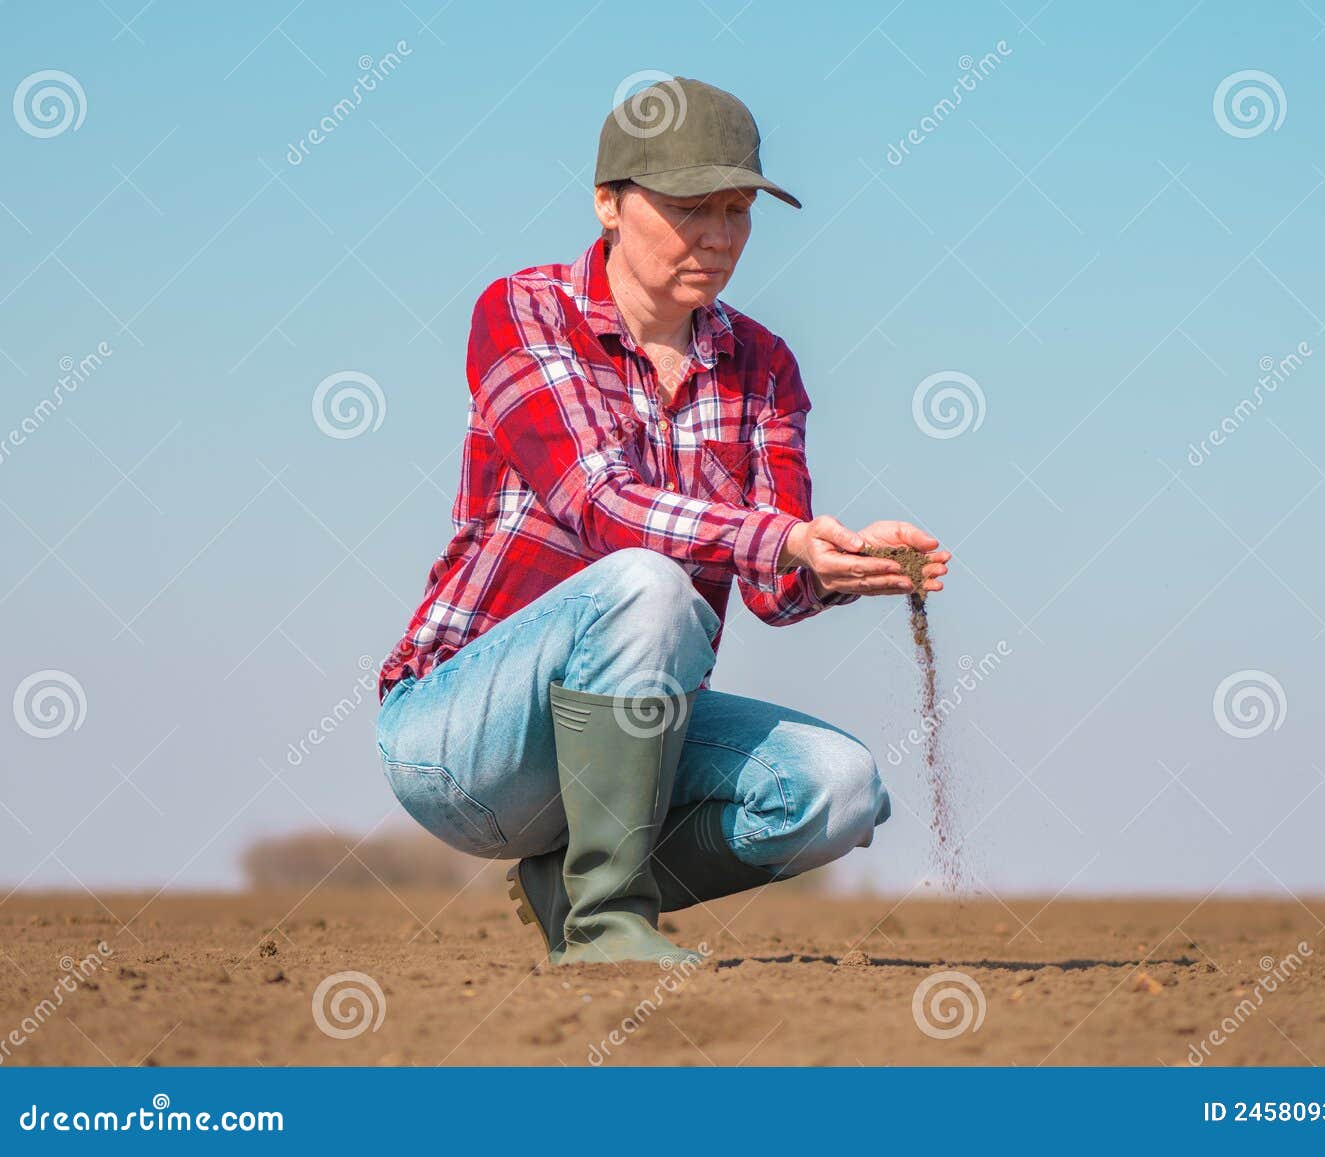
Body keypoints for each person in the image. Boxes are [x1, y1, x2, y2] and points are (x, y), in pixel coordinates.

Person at [373, 76, 950, 966]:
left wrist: (833, 563)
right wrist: (782, 539)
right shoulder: (522, 313)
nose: (719, 238)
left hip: (636, 729)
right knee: (647, 579)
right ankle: (605, 926)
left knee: (840, 790)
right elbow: (600, 505)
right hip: (465, 737)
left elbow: (772, 584)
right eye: (689, 207)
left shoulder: (762, 365)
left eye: (737, 211)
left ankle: (567, 884)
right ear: (608, 202)